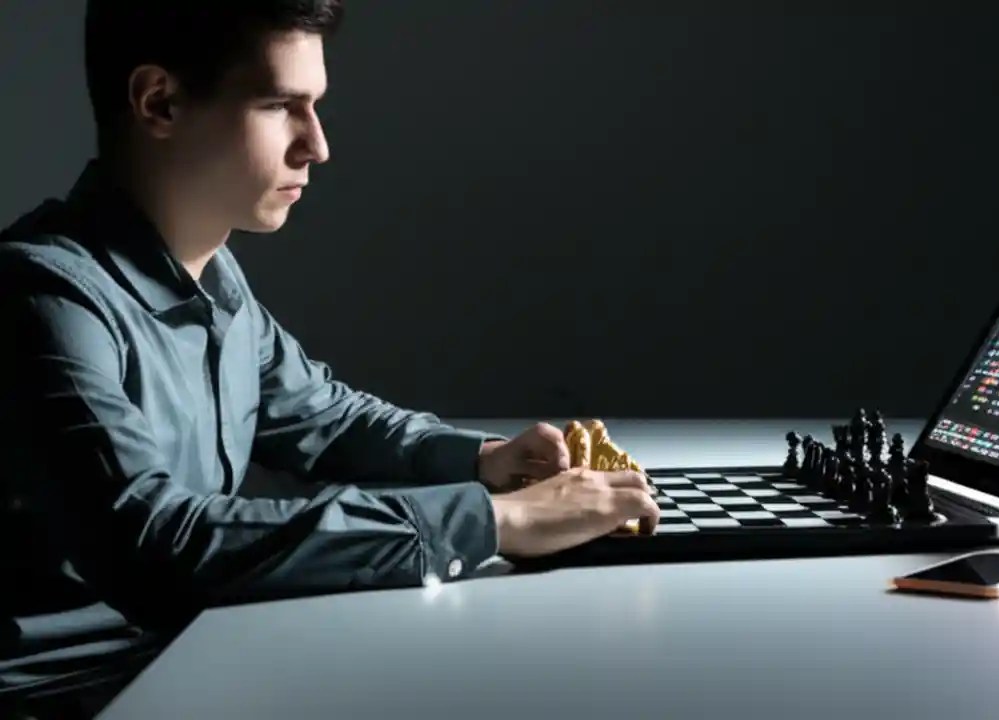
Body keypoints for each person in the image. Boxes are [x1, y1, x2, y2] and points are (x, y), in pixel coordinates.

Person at [0, 2, 660, 716]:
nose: (316, 145)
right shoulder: (42, 297)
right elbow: (159, 544)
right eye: (282, 106)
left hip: (190, 667)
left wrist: (485, 461)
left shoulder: (216, 281)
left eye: (314, 107)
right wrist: (496, 521)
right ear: (159, 101)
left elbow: (326, 416)